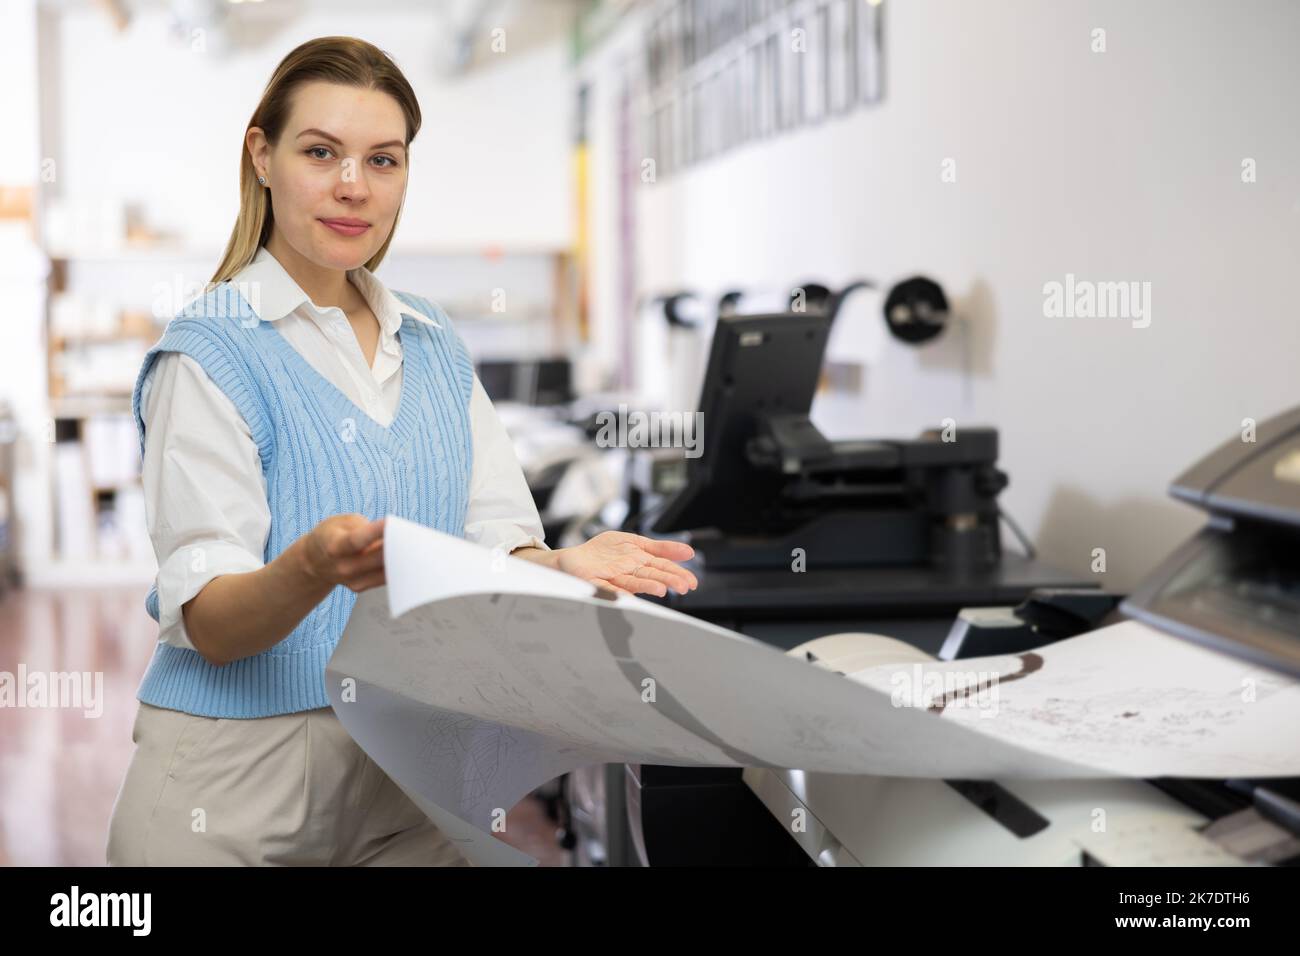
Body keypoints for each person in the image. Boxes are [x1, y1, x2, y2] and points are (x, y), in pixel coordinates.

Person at [106, 35, 697, 866]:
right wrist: (310, 567)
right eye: (322, 153)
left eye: (383, 160)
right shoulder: (209, 355)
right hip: (235, 783)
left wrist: (560, 564)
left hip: (406, 759)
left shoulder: (432, 341)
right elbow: (212, 624)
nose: (355, 186)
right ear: (262, 156)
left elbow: (496, 537)